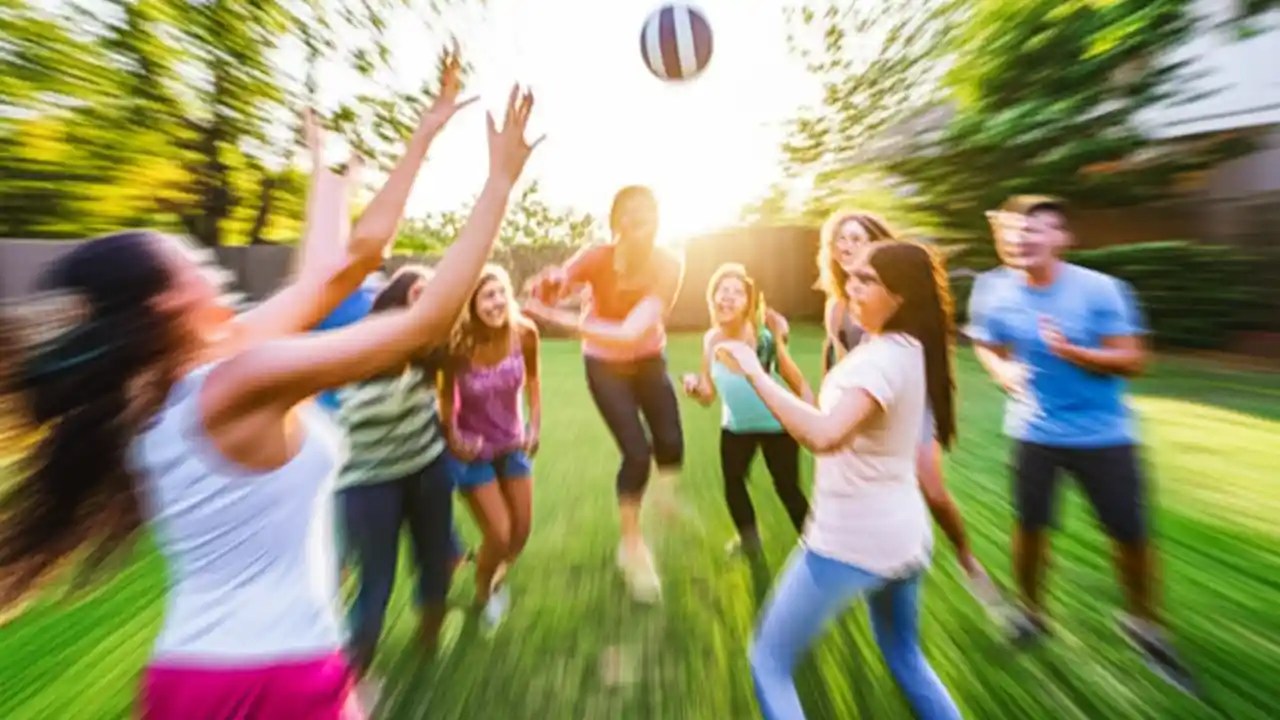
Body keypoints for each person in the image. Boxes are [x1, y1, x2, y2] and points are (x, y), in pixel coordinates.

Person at [0, 64, 541, 719]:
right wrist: (500, 185)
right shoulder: (236, 380)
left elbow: (337, 269)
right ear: (170, 303)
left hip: (188, 678)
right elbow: (420, 326)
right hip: (275, 678)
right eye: (193, 260)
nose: (210, 266)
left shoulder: (159, 392)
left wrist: (366, 158)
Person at [719, 241, 961, 720]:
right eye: (852, 275)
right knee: (905, 657)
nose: (851, 285)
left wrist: (754, 372)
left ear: (902, 295)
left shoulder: (882, 361)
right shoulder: (913, 347)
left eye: (867, 280)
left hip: (851, 542)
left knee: (769, 662)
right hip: (905, 538)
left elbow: (822, 434)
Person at [968, 196, 1193, 691]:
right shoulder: (992, 288)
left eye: (1038, 230)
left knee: (1129, 536)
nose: (1025, 238)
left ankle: (1145, 625)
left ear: (1063, 239)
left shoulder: (1102, 290)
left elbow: (1134, 360)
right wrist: (1002, 368)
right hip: (1034, 431)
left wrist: (1075, 353)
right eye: (1017, 230)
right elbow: (986, 341)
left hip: (1104, 436)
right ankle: (1031, 614)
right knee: (1029, 530)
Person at [816, 209, 997, 603]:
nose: (845, 247)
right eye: (838, 240)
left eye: (856, 238)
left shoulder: (899, 293)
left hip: (912, 399)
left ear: (878, 246)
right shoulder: (837, 307)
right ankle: (874, 565)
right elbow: (845, 365)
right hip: (872, 405)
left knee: (930, 488)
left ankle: (967, 560)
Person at [521, 186, 684, 604]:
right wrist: (550, 286)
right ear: (615, 221)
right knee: (637, 452)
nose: (635, 219)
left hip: (647, 357)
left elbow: (633, 330)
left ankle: (664, 498)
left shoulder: (669, 264)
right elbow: (558, 282)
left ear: (658, 219)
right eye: (626, 213)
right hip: (603, 365)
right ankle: (632, 547)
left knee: (670, 443)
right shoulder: (596, 256)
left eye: (645, 211)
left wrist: (557, 317)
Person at [332, 265, 461, 677]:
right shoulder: (361, 347)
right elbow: (353, 412)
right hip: (367, 484)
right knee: (375, 586)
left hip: (426, 470)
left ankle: (428, 641)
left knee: (437, 565)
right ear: (397, 295)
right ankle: (347, 680)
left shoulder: (430, 347)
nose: (429, 299)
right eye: (420, 290)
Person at [681, 263, 812, 556]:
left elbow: (795, 380)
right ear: (712, 297)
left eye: (737, 293)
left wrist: (811, 422)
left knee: (787, 488)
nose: (728, 297)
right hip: (736, 427)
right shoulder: (710, 339)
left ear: (748, 303)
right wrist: (694, 387)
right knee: (733, 483)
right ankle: (749, 540)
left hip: (776, 425)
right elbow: (708, 394)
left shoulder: (761, 337)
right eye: (722, 290)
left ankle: (818, 545)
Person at [440, 264, 540, 627]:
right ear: (472, 304)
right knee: (498, 534)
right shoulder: (458, 343)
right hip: (474, 452)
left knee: (521, 532)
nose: (497, 303)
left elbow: (532, 380)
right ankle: (485, 593)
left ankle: (494, 576)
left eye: (501, 293)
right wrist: (454, 436)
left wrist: (536, 425)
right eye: (487, 296)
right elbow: (445, 399)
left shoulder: (525, 333)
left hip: (511, 443)